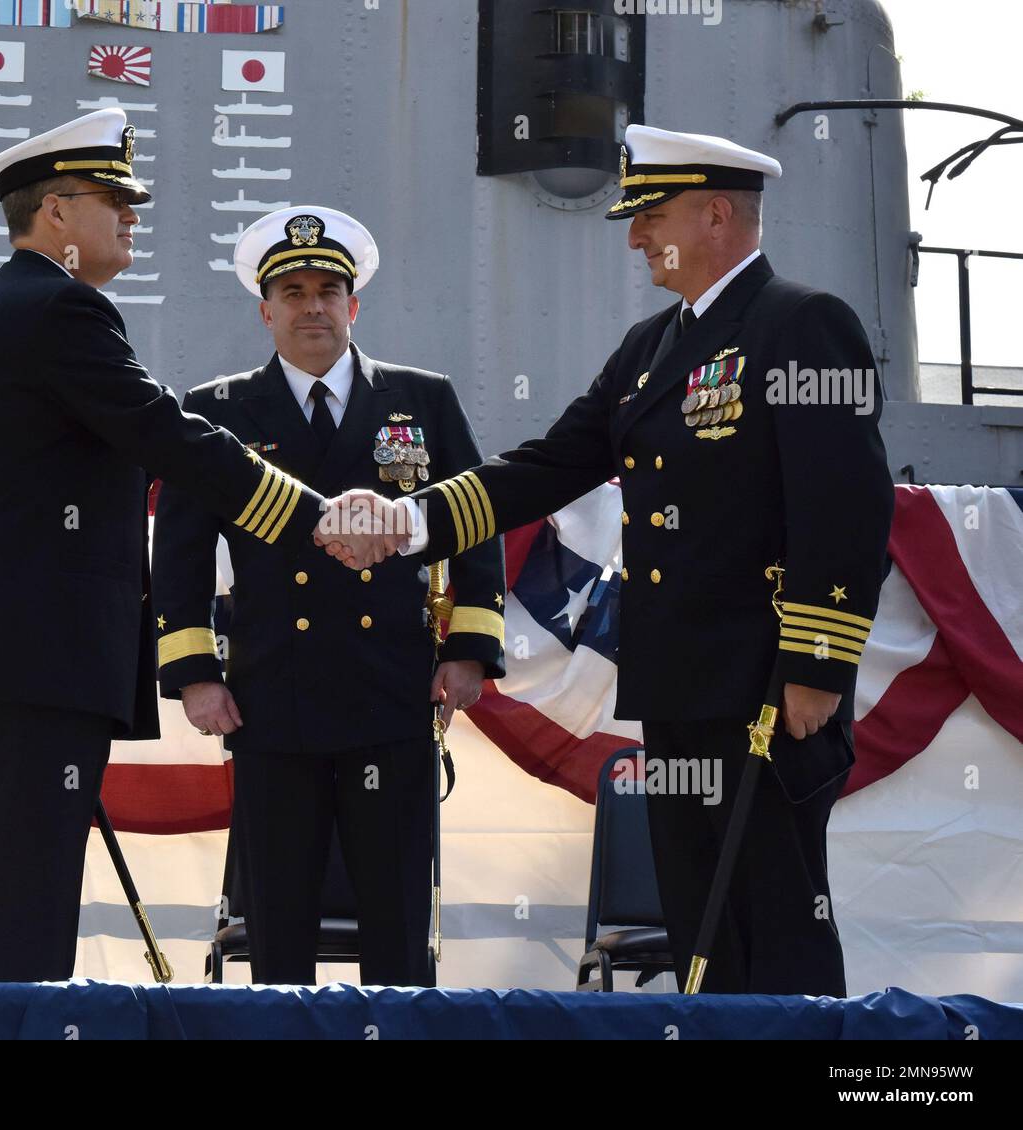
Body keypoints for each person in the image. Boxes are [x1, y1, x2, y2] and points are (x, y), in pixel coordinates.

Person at [330, 125, 895, 996]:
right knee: (700, 919)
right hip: (676, 683)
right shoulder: (649, 347)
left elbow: (848, 504)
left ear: (716, 214)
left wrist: (818, 664)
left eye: (651, 215)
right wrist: (410, 521)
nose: (634, 237)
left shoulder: (803, 323)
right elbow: (549, 466)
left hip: (766, 683)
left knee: (777, 911)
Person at [0, 110, 345, 982]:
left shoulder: (23, 305)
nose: (132, 216)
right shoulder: (58, 308)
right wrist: (317, 515)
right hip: (34, 657)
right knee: (17, 902)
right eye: (114, 199)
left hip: (20, 655)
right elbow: (167, 435)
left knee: (14, 893)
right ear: (57, 215)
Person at [151, 206, 506, 986]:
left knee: (398, 916)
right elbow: (178, 552)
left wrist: (471, 651)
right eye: (294, 290)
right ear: (265, 309)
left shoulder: (423, 400)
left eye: (328, 290)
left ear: (354, 305)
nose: (313, 305)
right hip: (273, 698)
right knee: (278, 921)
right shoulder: (218, 413)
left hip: (393, 692)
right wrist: (195, 674)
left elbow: (475, 526)